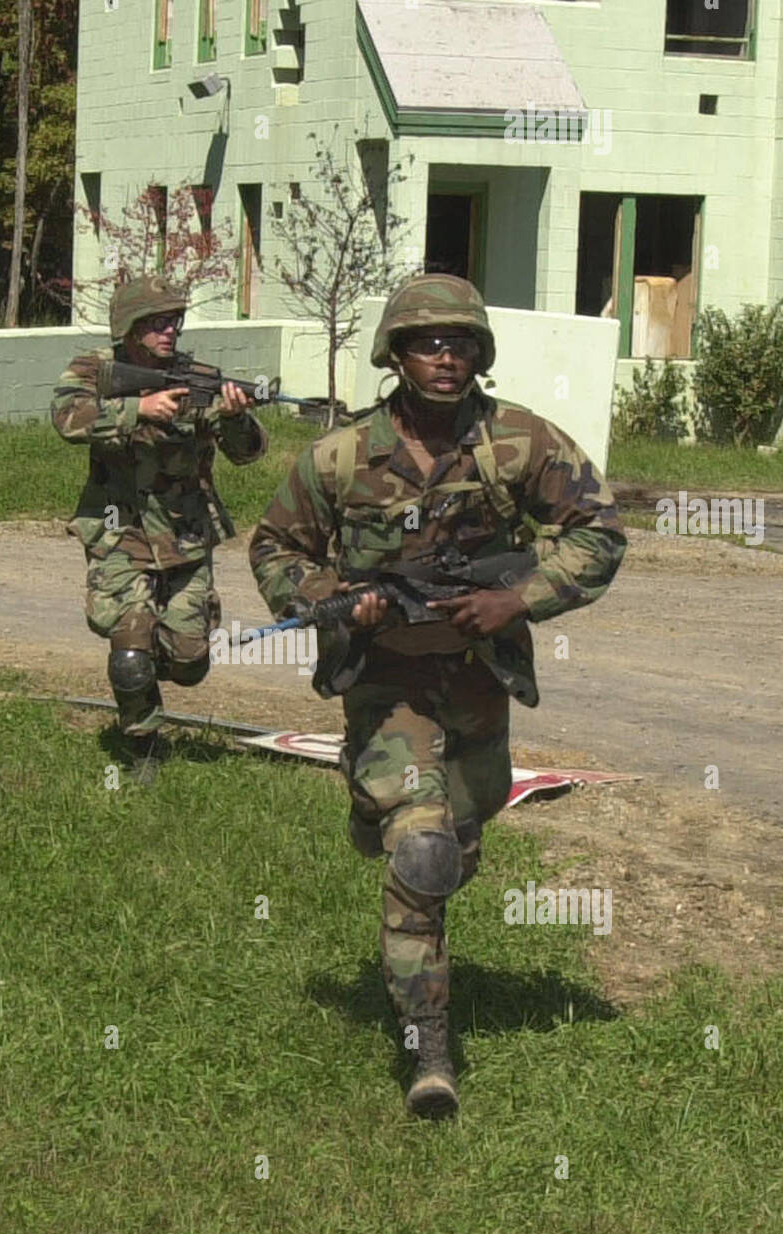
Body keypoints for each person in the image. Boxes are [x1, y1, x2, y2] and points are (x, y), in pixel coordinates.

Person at [249, 274, 626, 1119]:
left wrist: (515, 598)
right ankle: (430, 1054)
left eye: (460, 343)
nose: (446, 356)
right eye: (427, 342)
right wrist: (340, 596)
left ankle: (375, 803)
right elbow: (276, 549)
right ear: (396, 354)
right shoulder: (340, 457)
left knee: (462, 832)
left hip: (478, 676)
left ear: (479, 353)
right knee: (421, 857)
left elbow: (598, 532)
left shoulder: (520, 444)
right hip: (387, 681)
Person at [52, 274, 268, 782]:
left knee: (190, 663)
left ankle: (164, 659)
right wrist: (137, 409)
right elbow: (66, 418)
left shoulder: (198, 377)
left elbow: (249, 453)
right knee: (129, 654)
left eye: (175, 321)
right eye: (156, 323)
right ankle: (142, 747)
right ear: (129, 328)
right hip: (119, 533)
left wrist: (237, 417)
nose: (170, 330)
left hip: (185, 536)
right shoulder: (96, 370)